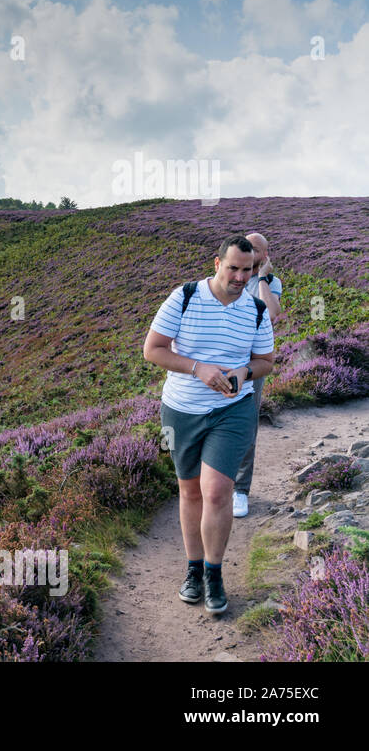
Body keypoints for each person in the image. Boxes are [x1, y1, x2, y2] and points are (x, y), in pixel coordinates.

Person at [142, 236, 275, 615]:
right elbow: (153, 349)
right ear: (217, 263)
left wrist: (243, 372)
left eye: (247, 270)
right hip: (181, 409)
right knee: (190, 492)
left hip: (232, 411)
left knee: (217, 491)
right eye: (233, 267)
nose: (239, 276)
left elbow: (266, 361)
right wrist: (197, 368)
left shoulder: (255, 310)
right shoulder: (183, 297)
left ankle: (214, 574)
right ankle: (193, 569)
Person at [231, 232, 283, 517]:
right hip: (223, 358)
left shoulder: (270, 282)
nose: (251, 253)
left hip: (253, 362)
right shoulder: (232, 277)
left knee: (246, 422)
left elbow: (272, 313)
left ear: (265, 255)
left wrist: (262, 278)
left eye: (257, 250)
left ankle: (240, 490)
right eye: (248, 248)